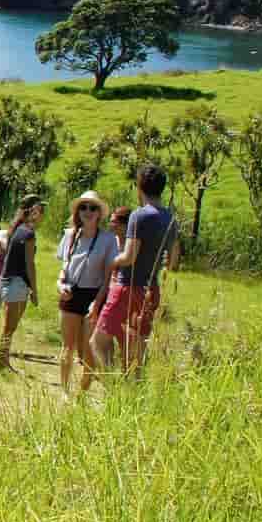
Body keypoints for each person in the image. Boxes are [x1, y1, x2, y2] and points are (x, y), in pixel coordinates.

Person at [98, 164, 181, 372]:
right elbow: (173, 262)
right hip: (151, 290)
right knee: (137, 353)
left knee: (97, 341)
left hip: (127, 287)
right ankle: (131, 396)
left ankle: (112, 390)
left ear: (139, 187)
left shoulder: (139, 215)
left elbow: (128, 256)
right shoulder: (170, 218)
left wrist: (110, 262)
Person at [54, 191, 118, 391]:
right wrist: (60, 284)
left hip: (94, 296)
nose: (87, 211)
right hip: (71, 294)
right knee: (68, 347)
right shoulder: (69, 235)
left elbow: (108, 278)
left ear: (99, 213)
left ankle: (82, 394)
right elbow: (64, 266)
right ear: (77, 211)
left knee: (89, 351)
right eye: (83, 207)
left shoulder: (109, 240)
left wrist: (97, 303)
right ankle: (64, 391)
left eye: (93, 207)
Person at [0, 195, 47, 369]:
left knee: (8, 327)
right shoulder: (29, 233)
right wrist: (35, 291)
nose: (43, 215)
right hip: (16, 282)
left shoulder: (16, 228)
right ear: (33, 211)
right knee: (9, 328)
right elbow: (29, 264)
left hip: (9, 280)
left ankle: (2, 360)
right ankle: (1, 362)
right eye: (41, 211)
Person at [90, 206, 134, 371]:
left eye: (114, 221)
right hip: (107, 292)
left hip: (122, 294)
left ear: (124, 225)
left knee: (124, 338)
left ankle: (124, 374)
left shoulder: (131, 245)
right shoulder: (112, 241)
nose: (110, 224)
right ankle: (107, 372)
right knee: (104, 336)